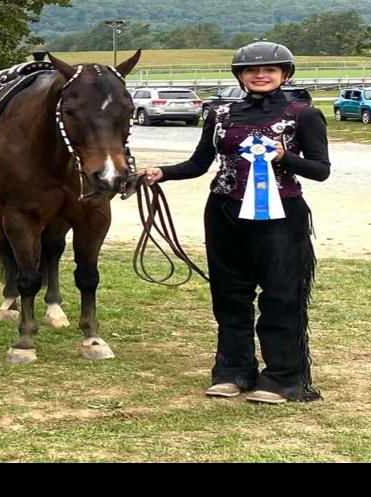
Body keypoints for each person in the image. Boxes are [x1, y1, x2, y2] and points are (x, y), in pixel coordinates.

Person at [141, 42, 330, 404]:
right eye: (251, 70)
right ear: (240, 76)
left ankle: (282, 377)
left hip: (280, 218)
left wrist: (284, 156)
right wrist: (161, 172)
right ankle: (232, 370)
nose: (260, 74)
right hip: (224, 213)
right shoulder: (220, 114)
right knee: (228, 295)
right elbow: (199, 164)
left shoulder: (303, 115)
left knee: (281, 296)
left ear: (285, 74)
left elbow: (321, 170)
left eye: (271, 69)